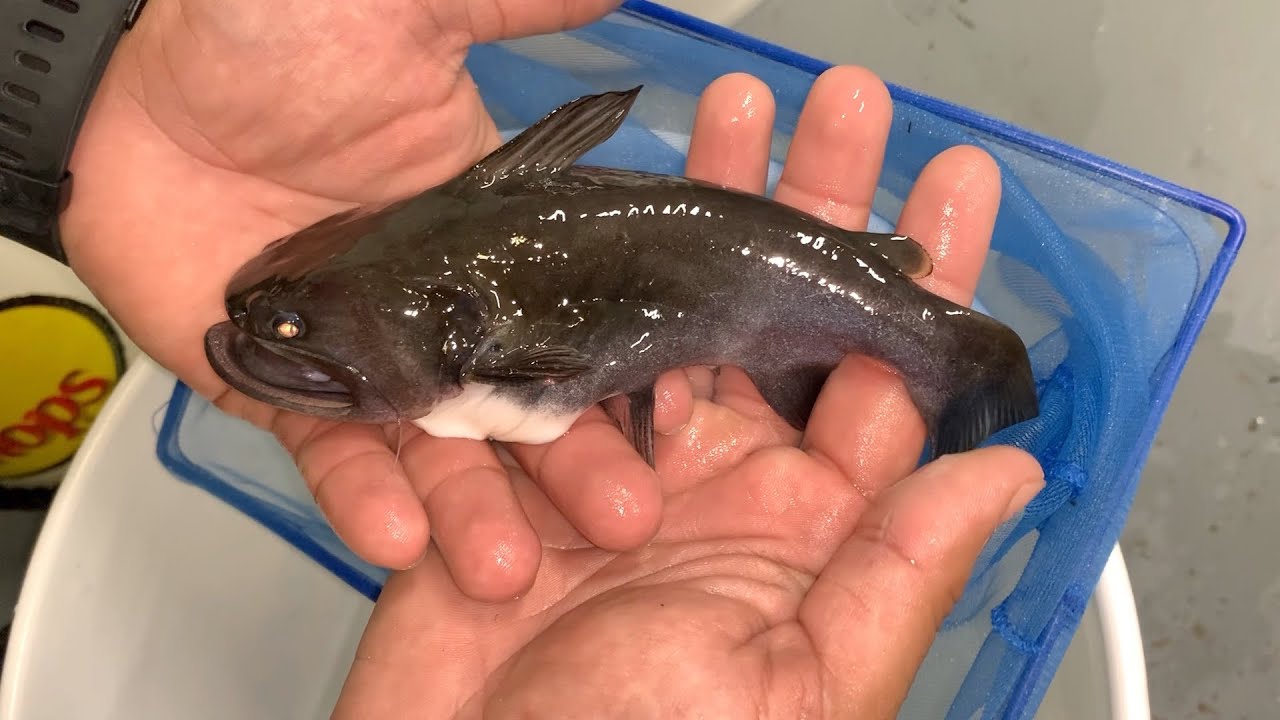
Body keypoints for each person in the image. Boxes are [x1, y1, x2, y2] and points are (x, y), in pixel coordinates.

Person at [48, 0, 1043, 716]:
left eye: (295, 332)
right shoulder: (436, 257)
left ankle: (952, 376)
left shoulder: (468, 282)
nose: (259, 346)